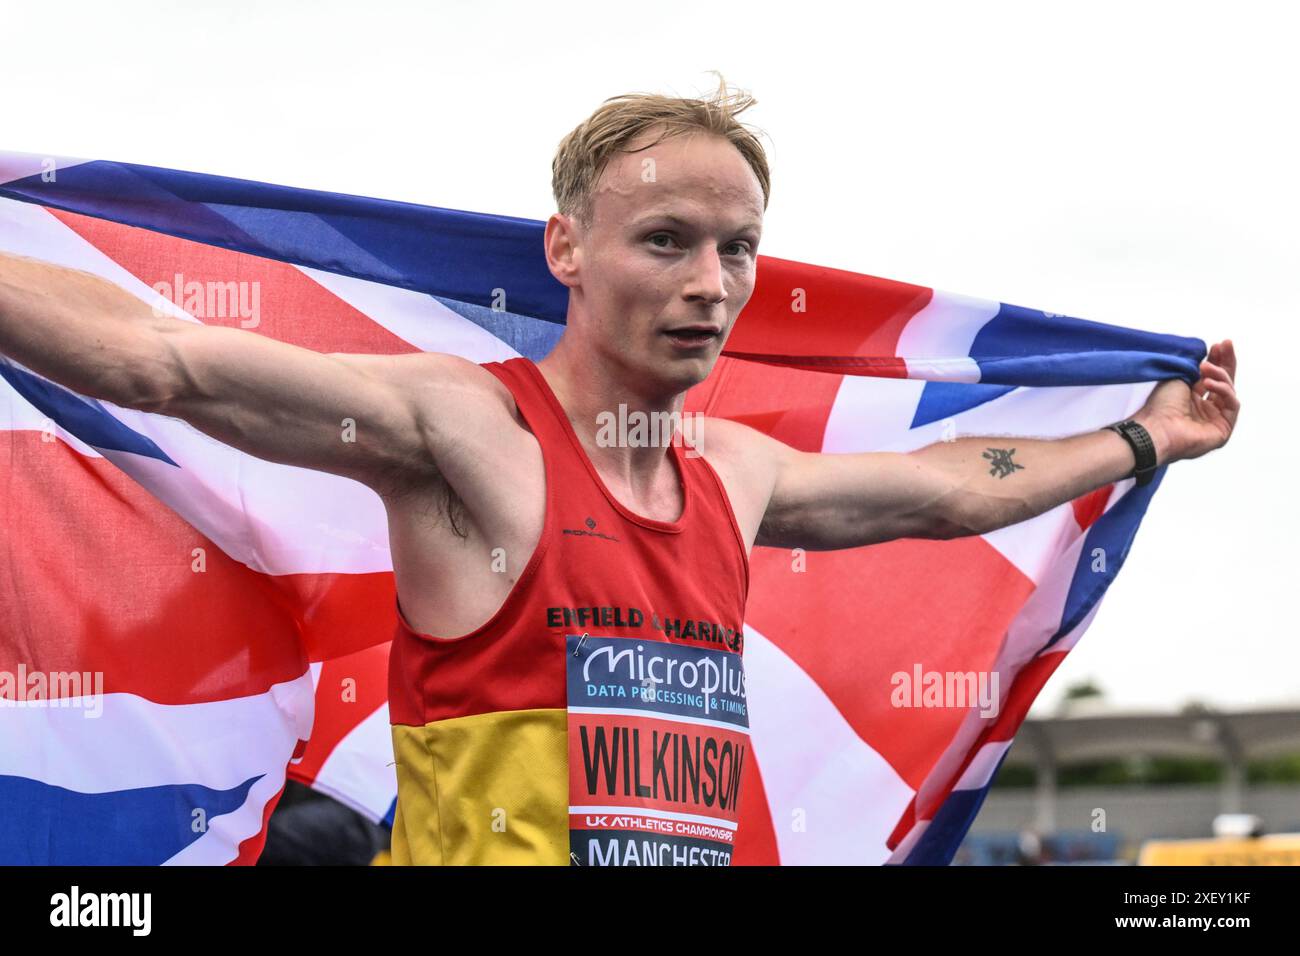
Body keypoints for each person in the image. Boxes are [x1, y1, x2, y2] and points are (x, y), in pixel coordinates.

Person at [0, 79, 1239, 866]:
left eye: (737, 248)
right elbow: (162, 359)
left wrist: (1143, 439)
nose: (711, 284)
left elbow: (952, 487)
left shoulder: (735, 472)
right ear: (566, 250)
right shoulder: (464, 430)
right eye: (665, 241)